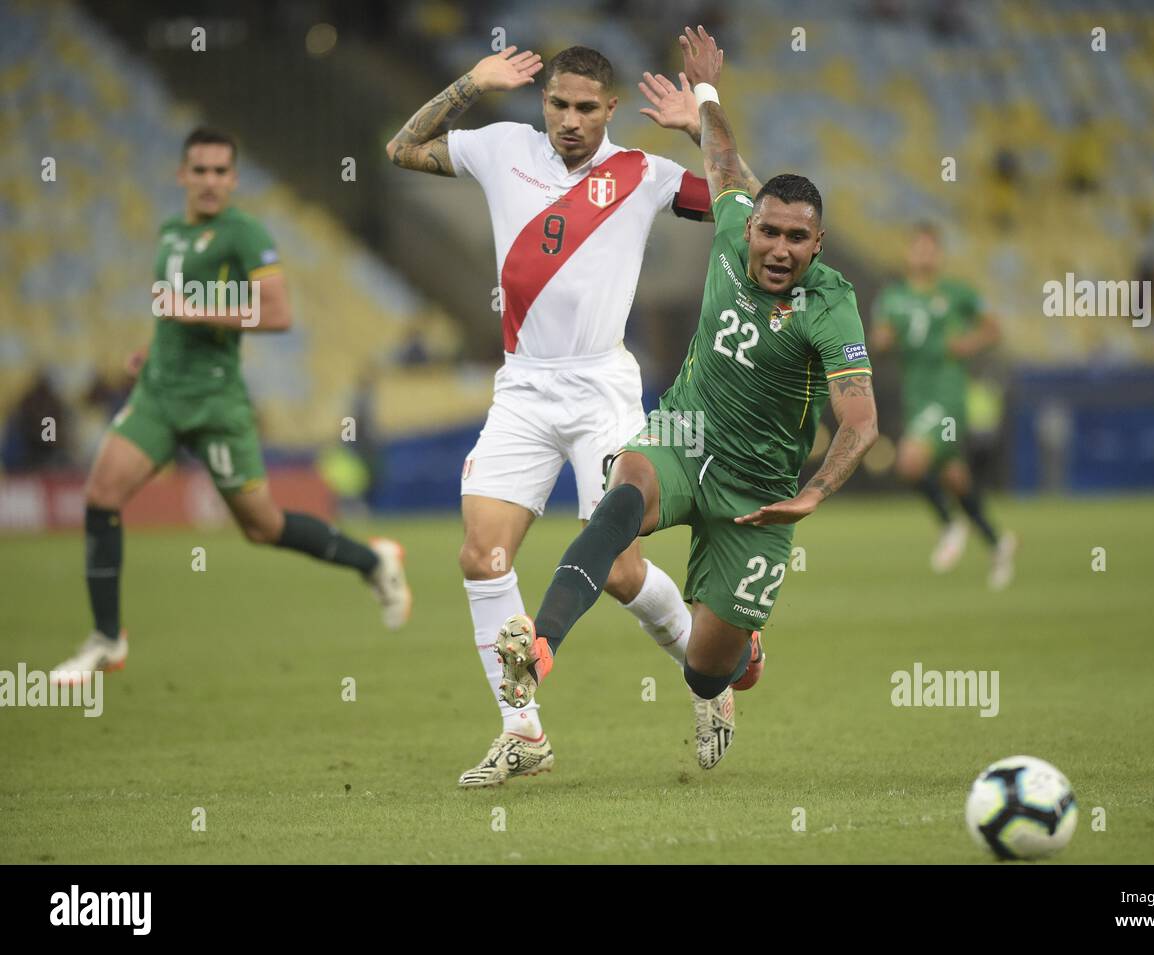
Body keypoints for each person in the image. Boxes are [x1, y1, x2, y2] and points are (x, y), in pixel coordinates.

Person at [492, 27, 879, 770]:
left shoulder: (832, 305)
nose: (777, 248)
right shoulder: (733, 225)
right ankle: (538, 647)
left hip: (759, 491)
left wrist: (816, 491)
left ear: (818, 245)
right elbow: (725, 162)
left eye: (797, 238)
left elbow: (859, 419)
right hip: (685, 434)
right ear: (747, 224)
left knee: (709, 665)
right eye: (768, 230)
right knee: (618, 506)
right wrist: (705, 98)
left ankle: (734, 666)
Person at [387, 43, 734, 786]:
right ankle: (523, 732)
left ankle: (710, 676)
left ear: (609, 109)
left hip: (601, 386)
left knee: (618, 569)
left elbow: (754, 205)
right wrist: (472, 84)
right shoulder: (501, 146)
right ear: (541, 101)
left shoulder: (642, 174)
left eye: (585, 108)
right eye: (557, 104)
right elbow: (401, 147)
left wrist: (700, 116)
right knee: (482, 556)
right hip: (523, 387)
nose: (570, 120)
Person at [52, 127, 411, 683]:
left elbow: (278, 313)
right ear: (182, 175)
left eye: (222, 171)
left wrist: (196, 312)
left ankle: (373, 562)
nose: (211, 180)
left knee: (262, 527)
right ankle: (106, 639)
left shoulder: (243, 234)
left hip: (216, 406)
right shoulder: (171, 233)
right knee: (100, 495)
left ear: (234, 179)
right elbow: (170, 315)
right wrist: (153, 352)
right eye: (201, 170)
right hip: (159, 396)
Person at [869, 223, 1017, 589]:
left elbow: (993, 328)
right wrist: (883, 340)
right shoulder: (893, 298)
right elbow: (879, 339)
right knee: (953, 476)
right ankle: (997, 542)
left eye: (930, 248)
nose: (924, 254)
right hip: (917, 395)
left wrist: (969, 343)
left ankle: (950, 525)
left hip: (948, 393)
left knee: (909, 462)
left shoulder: (956, 294)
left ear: (940, 255)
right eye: (918, 247)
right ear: (908, 253)